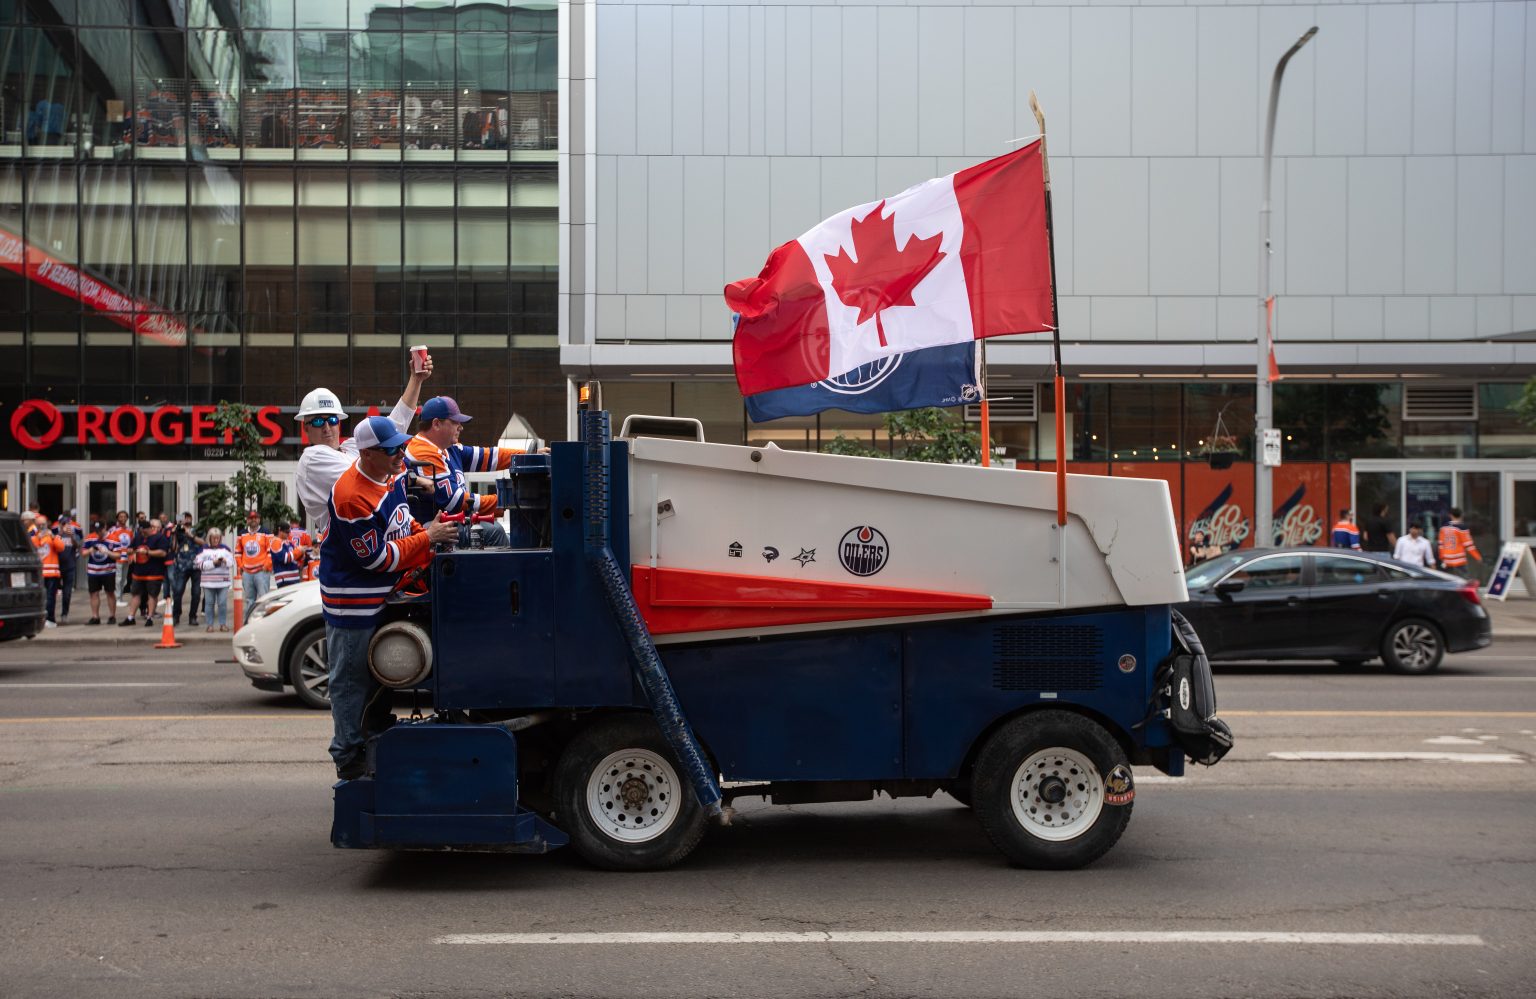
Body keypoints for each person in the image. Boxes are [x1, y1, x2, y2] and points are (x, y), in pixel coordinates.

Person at [320, 416, 457, 779]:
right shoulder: (351, 496)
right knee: (350, 681)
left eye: (401, 445)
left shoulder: (391, 474)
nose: (401, 453)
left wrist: (425, 532)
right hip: (353, 601)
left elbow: (403, 520)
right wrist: (427, 539)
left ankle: (376, 735)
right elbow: (378, 559)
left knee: (380, 673)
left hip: (380, 592)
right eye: (391, 449)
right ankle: (349, 756)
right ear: (366, 454)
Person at [296, 350, 434, 541]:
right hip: (351, 549)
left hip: (375, 537)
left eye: (332, 420)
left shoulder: (351, 448)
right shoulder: (312, 458)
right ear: (306, 428)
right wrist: (414, 479)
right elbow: (368, 475)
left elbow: (395, 424)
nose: (327, 427)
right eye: (318, 422)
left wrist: (416, 380)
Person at [405, 395, 528, 546]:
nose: (461, 427)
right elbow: (456, 503)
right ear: (436, 424)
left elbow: (488, 456)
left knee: (500, 532)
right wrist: (508, 500)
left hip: (452, 523)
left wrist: (528, 455)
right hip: (431, 529)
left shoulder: (447, 448)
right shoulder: (423, 451)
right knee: (494, 531)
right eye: (455, 422)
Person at [121, 517, 170, 626]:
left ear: (150, 529)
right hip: (138, 572)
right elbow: (131, 548)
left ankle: (150, 617)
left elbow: (163, 553)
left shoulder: (159, 538)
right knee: (135, 594)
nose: (143, 533)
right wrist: (130, 551)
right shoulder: (138, 537)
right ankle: (130, 617)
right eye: (141, 531)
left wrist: (148, 552)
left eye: (144, 531)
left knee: (152, 595)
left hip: (154, 573)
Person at [236, 510, 278, 621]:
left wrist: (266, 565)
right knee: (249, 600)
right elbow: (238, 552)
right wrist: (240, 566)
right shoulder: (242, 533)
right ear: (247, 520)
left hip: (261, 571)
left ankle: (265, 621)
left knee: (264, 598)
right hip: (247, 573)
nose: (253, 520)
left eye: (256, 518)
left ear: (259, 519)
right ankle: (249, 622)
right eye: (251, 518)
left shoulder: (266, 532)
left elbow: (271, 551)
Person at [81, 521, 124, 625]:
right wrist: (91, 550)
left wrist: (107, 552)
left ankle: (112, 616)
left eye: (100, 530)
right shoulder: (90, 537)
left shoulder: (114, 538)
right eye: (97, 531)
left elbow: (119, 555)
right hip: (93, 571)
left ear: (105, 527)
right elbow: (83, 553)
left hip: (108, 571)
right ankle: (95, 617)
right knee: (93, 593)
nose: (98, 533)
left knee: (110, 593)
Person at [194, 530, 236, 632]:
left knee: (222, 603)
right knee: (209, 603)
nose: (216, 540)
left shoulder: (225, 549)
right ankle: (209, 625)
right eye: (214, 538)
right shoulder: (203, 549)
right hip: (208, 582)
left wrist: (225, 561)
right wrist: (213, 563)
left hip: (223, 582)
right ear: (209, 538)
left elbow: (232, 563)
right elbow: (199, 565)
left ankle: (222, 624)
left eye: (218, 538)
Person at [168, 512, 205, 628]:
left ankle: (192, 616)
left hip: (196, 565)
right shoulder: (178, 531)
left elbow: (203, 543)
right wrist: (174, 534)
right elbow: (173, 548)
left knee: (196, 593)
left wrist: (191, 536)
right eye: (184, 518)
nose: (186, 520)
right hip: (181, 566)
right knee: (178, 591)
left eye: (188, 518)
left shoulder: (198, 529)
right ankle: (176, 616)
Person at [32, 517, 66, 628]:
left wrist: (52, 537)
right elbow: (31, 549)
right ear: (36, 525)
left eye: (43, 524)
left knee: (51, 597)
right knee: (39, 597)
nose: (42, 526)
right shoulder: (34, 538)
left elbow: (61, 547)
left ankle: (50, 619)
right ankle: (40, 618)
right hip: (39, 574)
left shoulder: (53, 536)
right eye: (39, 524)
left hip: (52, 573)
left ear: (47, 524)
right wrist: (38, 538)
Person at [52, 510, 82, 623]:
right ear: (59, 524)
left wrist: (72, 537)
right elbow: (53, 545)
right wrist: (60, 533)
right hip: (56, 567)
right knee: (53, 592)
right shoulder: (55, 535)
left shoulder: (73, 535)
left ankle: (65, 614)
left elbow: (78, 545)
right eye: (63, 523)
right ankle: (51, 615)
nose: (65, 525)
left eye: (67, 523)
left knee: (67, 592)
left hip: (70, 566)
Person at [1438, 507, 1482, 578]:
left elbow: (1440, 545)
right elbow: (1469, 545)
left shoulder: (1443, 528)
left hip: (1447, 561)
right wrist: (1478, 557)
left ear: (1450, 515)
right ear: (1461, 515)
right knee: (1463, 583)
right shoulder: (1462, 528)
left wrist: (1442, 558)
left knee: (1449, 583)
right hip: (1459, 561)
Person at [107, 511, 134, 608]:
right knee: (117, 579)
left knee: (124, 579)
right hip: (117, 557)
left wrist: (131, 555)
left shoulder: (129, 530)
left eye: (125, 516)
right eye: (121, 516)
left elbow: (131, 544)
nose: (123, 518)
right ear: (117, 518)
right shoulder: (113, 530)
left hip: (126, 557)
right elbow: (109, 543)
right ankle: (117, 598)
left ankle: (120, 597)